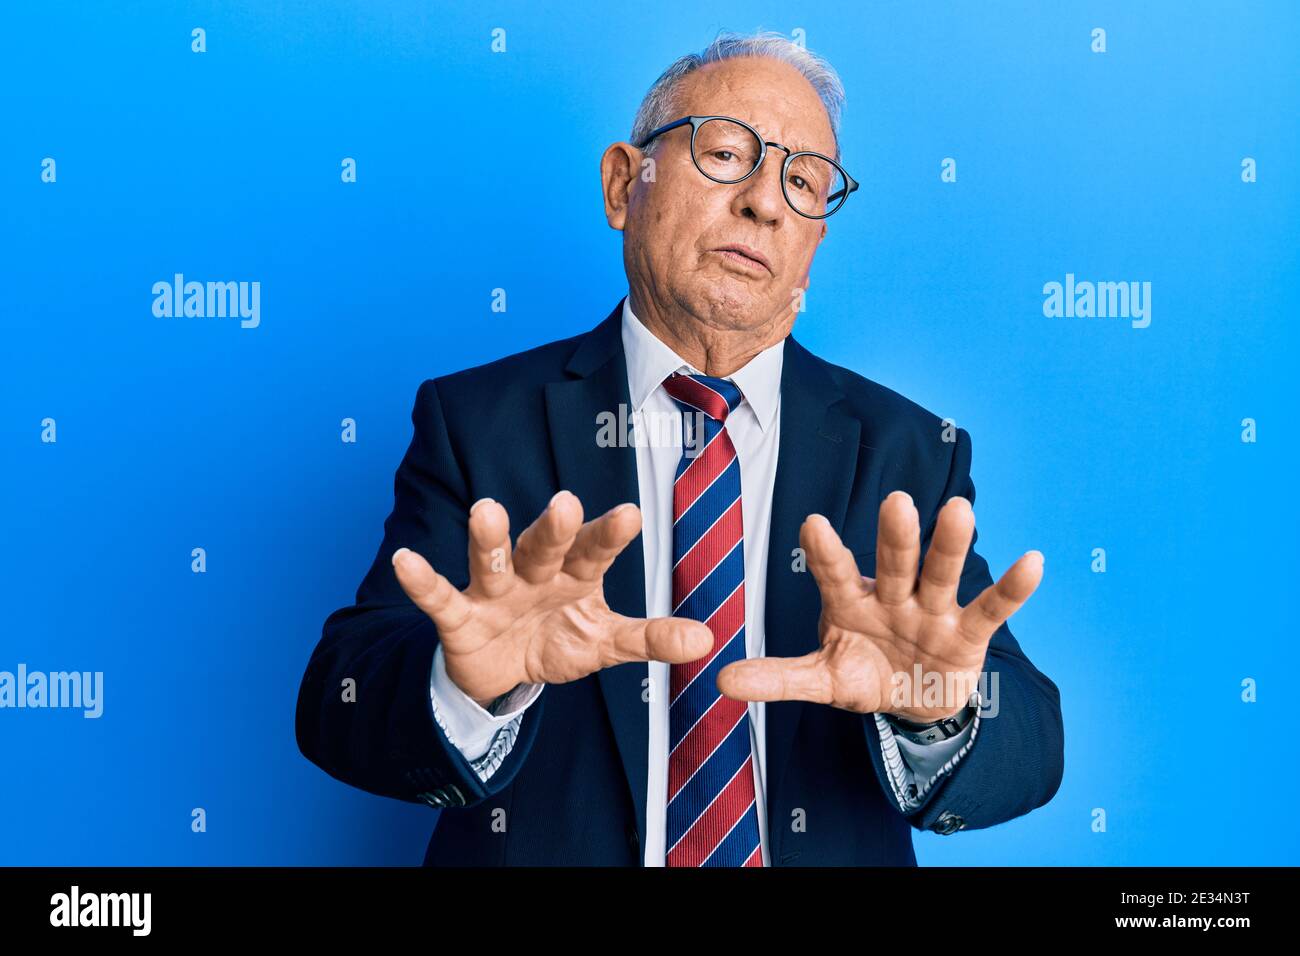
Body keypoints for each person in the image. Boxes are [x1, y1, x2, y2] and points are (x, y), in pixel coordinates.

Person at [295, 30, 1064, 866]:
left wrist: (933, 709)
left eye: (804, 182)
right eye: (727, 153)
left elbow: (1031, 748)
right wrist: (469, 687)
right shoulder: (478, 420)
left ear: (814, 245)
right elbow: (339, 705)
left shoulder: (911, 449)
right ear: (625, 183)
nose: (766, 203)